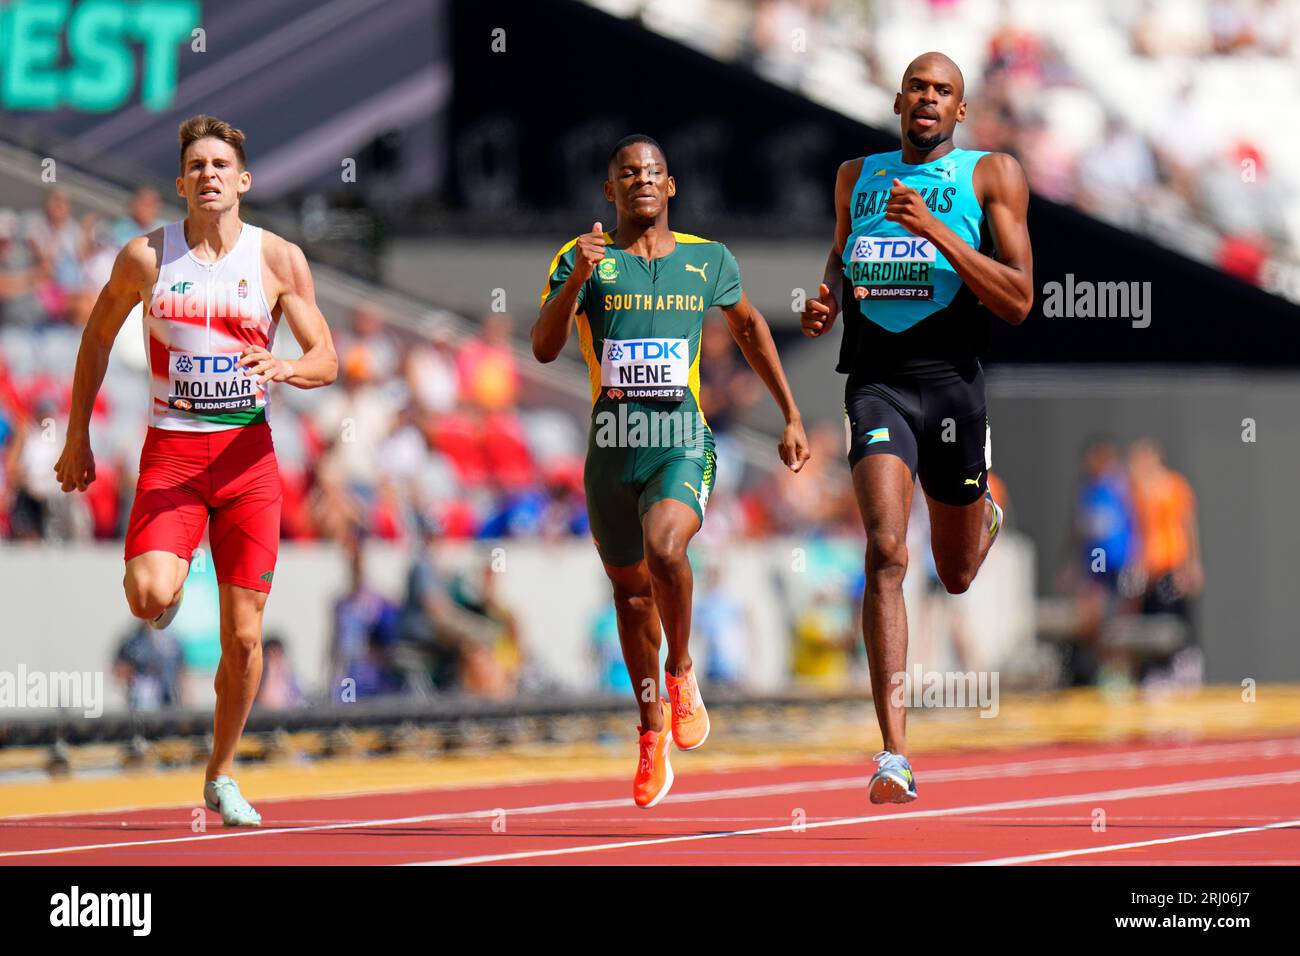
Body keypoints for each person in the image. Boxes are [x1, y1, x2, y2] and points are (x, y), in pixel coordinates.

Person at [54, 114, 338, 826]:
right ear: (181, 183)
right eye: (197, 165)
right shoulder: (146, 259)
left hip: (247, 462)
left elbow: (327, 357)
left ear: (242, 182)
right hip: (173, 455)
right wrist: (77, 437)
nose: (209, 173)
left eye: (222, 164)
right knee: (147, 597)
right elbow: (95, 338)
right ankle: (171, 589)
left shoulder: (278, 261)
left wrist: (288, 367)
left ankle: (220, 773)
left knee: (244, 637)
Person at [533, 134, 809, 808]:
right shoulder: (580, 258)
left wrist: (791, 413)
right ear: (611, 190)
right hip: (611, 447)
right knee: (631, 599)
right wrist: (576, 277)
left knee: (666, 547)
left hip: (679, 437)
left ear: (672, 186)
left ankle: (682, 670)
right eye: (628, 173)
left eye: (654, 171)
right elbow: (542, 349)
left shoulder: (707, 260)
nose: (642, 181)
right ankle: (652, 727)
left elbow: (750, 329)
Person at [800, 52, 1033, 803]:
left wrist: (935, 229)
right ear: (899, 101)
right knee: (886, 551)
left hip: (953, 392)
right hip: (878, 389)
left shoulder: (992, 175)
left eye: (944, 92)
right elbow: (841, 252)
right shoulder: (855, 177)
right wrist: (827, 298)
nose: (928, 100)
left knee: (957, 574)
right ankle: (893, 753)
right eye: (918, 89)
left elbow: (1019, 299)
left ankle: (979, 514)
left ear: (959, 112)